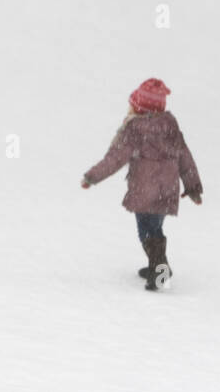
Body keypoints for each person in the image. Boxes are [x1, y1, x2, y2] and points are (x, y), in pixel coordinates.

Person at [82, 78, 203, 290]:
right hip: (167, 190)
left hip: (144, 191)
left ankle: (160, 268)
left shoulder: (135, 129)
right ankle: (157, 265)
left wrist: (92, 176)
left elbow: (115, 159)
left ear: (139, 106)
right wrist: (192, 186)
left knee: (145, 231)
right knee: (155, 228)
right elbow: (186, 157)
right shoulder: (170, 126)